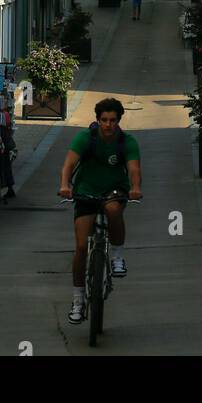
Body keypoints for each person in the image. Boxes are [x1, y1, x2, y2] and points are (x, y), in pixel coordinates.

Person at [58, 97, 142, 325]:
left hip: (114, 189)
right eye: (104, 120)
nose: (108, 125)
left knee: (113, 210)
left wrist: (135, 188)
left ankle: (117, 256)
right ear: (97, 120)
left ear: (119, 121)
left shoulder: (127, 142)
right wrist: (65, 185)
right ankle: (78, 300)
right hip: (86, 189)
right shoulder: (86, 138)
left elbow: (134, 169)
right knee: (81, 246)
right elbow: (68, 164)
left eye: (113, 120)